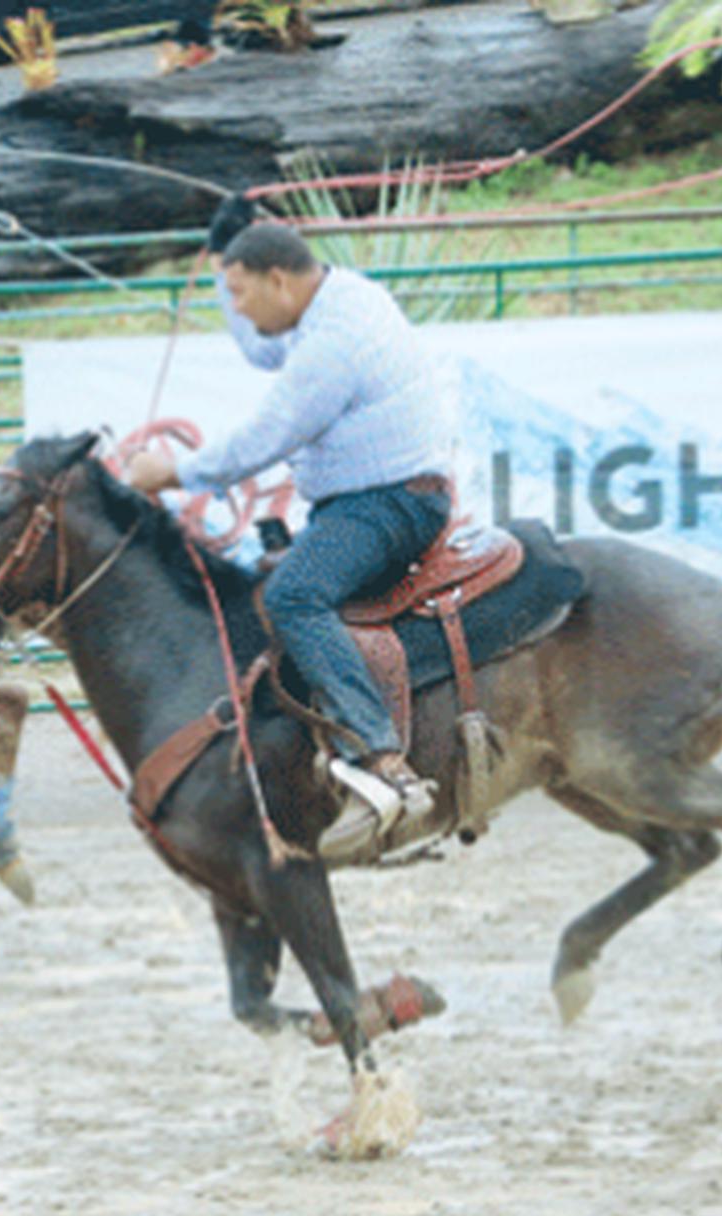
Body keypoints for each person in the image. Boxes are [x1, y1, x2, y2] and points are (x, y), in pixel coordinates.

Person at [124, 201, 453, 859]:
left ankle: (382, 753)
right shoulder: (337, 300)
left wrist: (171, 471)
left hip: (387, 504)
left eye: (239, 290)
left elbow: (267, 436)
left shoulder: (332, 345)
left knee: (293, 597)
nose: (236, 308)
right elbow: (258, 344)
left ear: (278, 280)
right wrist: (225, 258)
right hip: (377, 497)